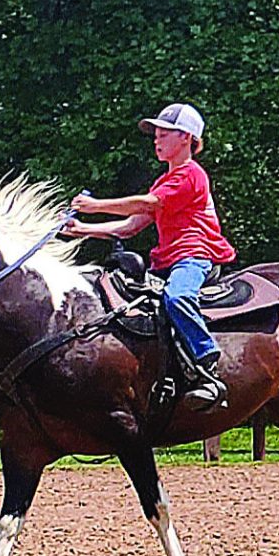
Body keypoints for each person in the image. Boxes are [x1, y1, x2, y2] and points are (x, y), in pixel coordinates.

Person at [65, 103, 236, 410]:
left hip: (194, 255)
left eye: (164, 134)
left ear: (186, 138)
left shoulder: (191, 175)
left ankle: (208, 361)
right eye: (155, 135)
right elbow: (131, 226)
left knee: (177, 298)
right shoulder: (166, 180)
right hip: (167, 262)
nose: (157, 140)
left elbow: (148, 204)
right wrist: (83, 230)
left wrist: (97, 205)